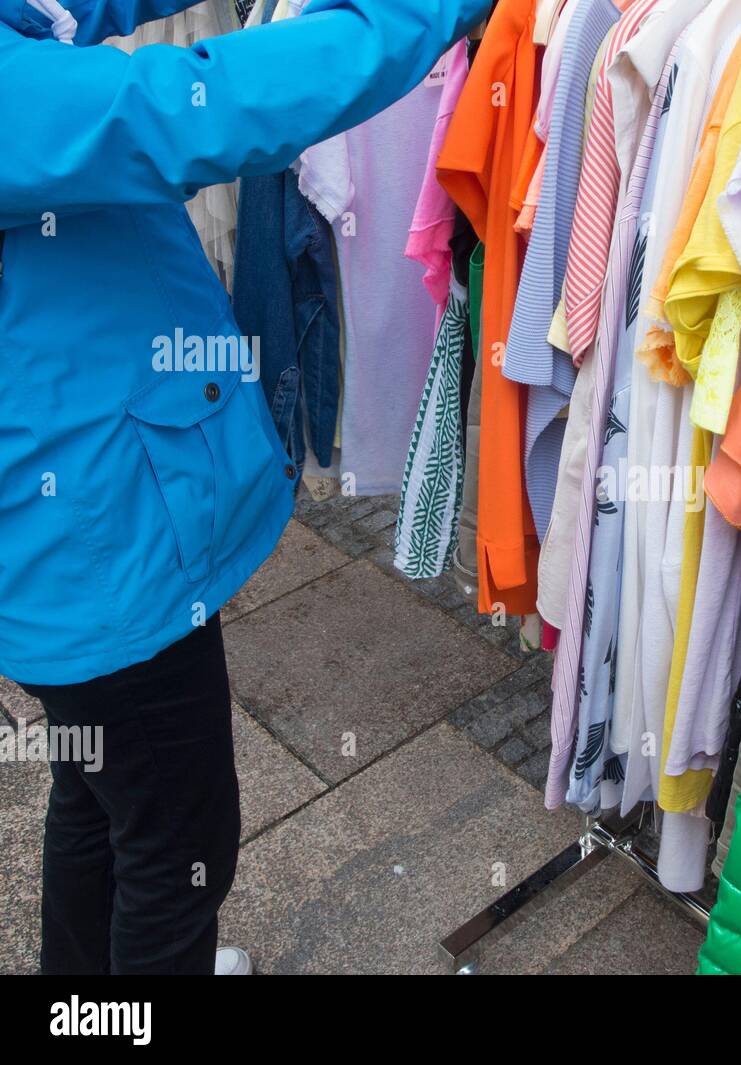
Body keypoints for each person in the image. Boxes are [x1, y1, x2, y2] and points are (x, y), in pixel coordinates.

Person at [0, 0, 487, 975]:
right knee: (179, 849)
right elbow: (187, 104)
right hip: (104, 555)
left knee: (97, 791)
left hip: (67, 544)